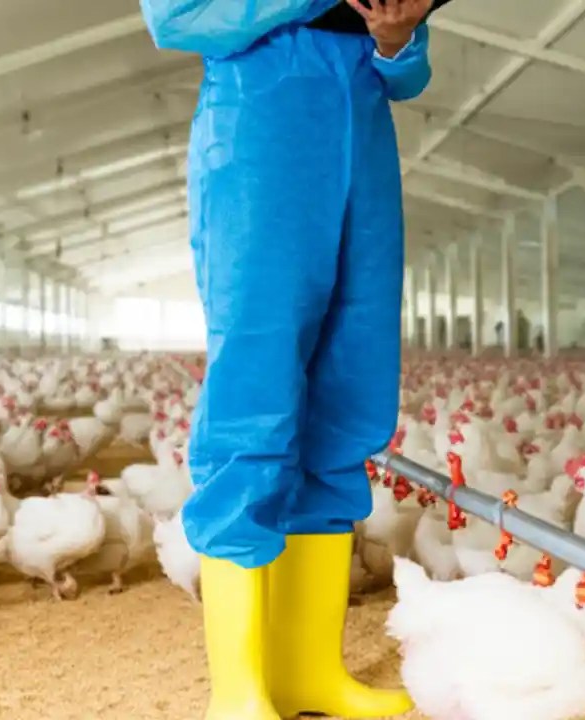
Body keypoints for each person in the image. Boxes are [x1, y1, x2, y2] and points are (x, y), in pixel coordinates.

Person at [139, 2, 435, 718]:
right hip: (260, 134)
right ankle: (240, 695)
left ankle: (308, 670)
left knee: (346, 398)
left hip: (361, 137)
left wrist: (398, 38)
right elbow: (176, 17)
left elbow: (408, 76)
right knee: (257, 391)